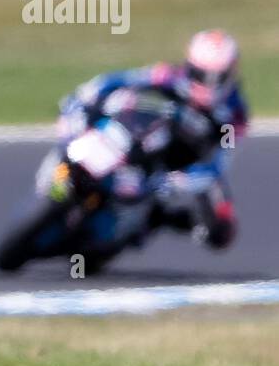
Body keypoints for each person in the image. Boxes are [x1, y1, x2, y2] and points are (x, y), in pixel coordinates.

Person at [56, 30, 249, 250]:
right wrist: (85, 99)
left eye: (218, 78)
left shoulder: (234, 112)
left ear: (231, 73)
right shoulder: (169, 76)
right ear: (189, 65)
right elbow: (118, 81)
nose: (208, 85)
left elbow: (220, 159)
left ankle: (153, 221)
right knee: (90, 125)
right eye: (201, 74)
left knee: (222, 230)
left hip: (175, 167)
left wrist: (184, 179)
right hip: (133, 138)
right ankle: (66, 173)